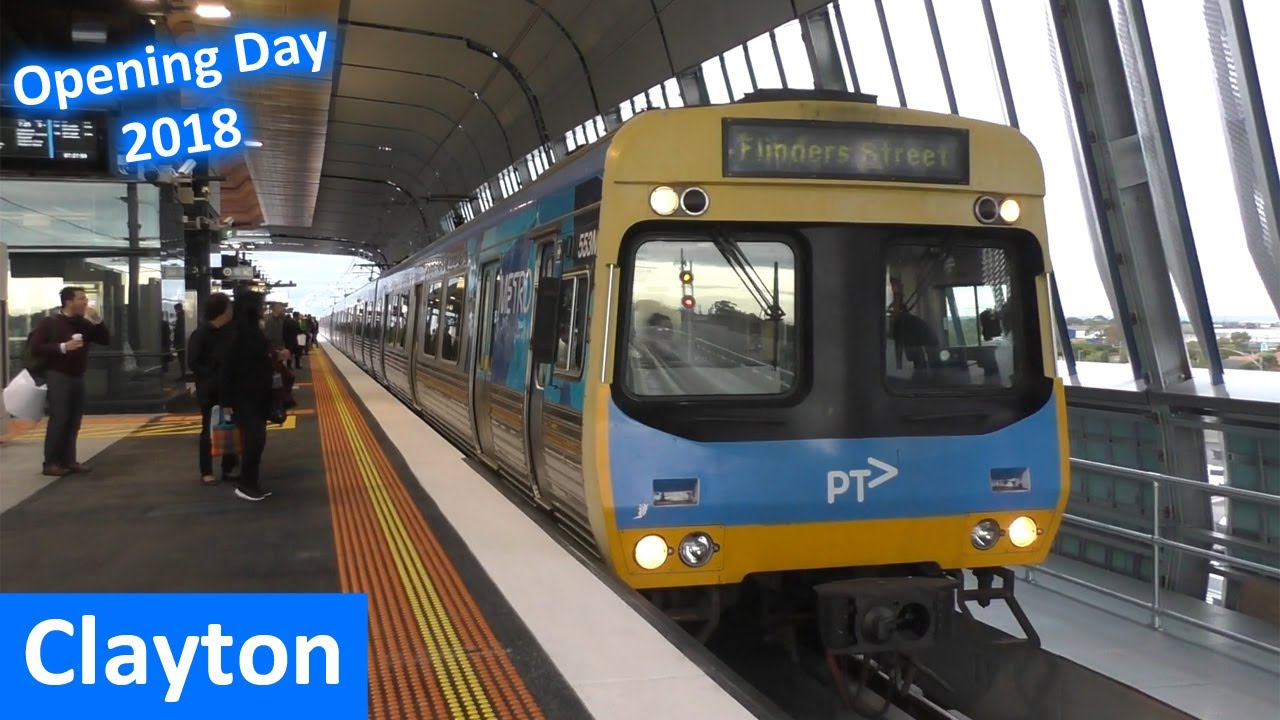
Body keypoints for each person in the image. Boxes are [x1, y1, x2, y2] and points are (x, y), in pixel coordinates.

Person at [29, 286, 111, 476]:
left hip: (77, 376)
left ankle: (69, 460)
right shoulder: (51, 323)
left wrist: (97, 320)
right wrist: (64, 347)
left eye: (85, 299)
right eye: (81, 299)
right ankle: (50, 462)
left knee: (74, 420)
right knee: (59, 419)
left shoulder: (83, 323)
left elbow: (105, 339)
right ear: (69, 301)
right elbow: (37, 347)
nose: (85, 302)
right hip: (58, 375)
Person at [218, 290, 280, 501]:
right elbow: (226, 369)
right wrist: (226, 402)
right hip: (244, 397)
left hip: (257, 396)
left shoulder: (251, 331)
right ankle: (246, 484)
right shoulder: (236, 333)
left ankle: (251, 482)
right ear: (251, 308)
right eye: (261, 305)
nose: (264, 309)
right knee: (255, 440)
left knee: (256, 441)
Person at [187, 292, 238, 486]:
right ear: (222, 311)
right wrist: (214, 374)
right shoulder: (200, 334)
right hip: (210, 391)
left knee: (230, 428)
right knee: (208, 430)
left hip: (230, 390)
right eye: (229, 307)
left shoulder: (230, 332)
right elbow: (193, 362)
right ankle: (206, 471)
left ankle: (228, 467)